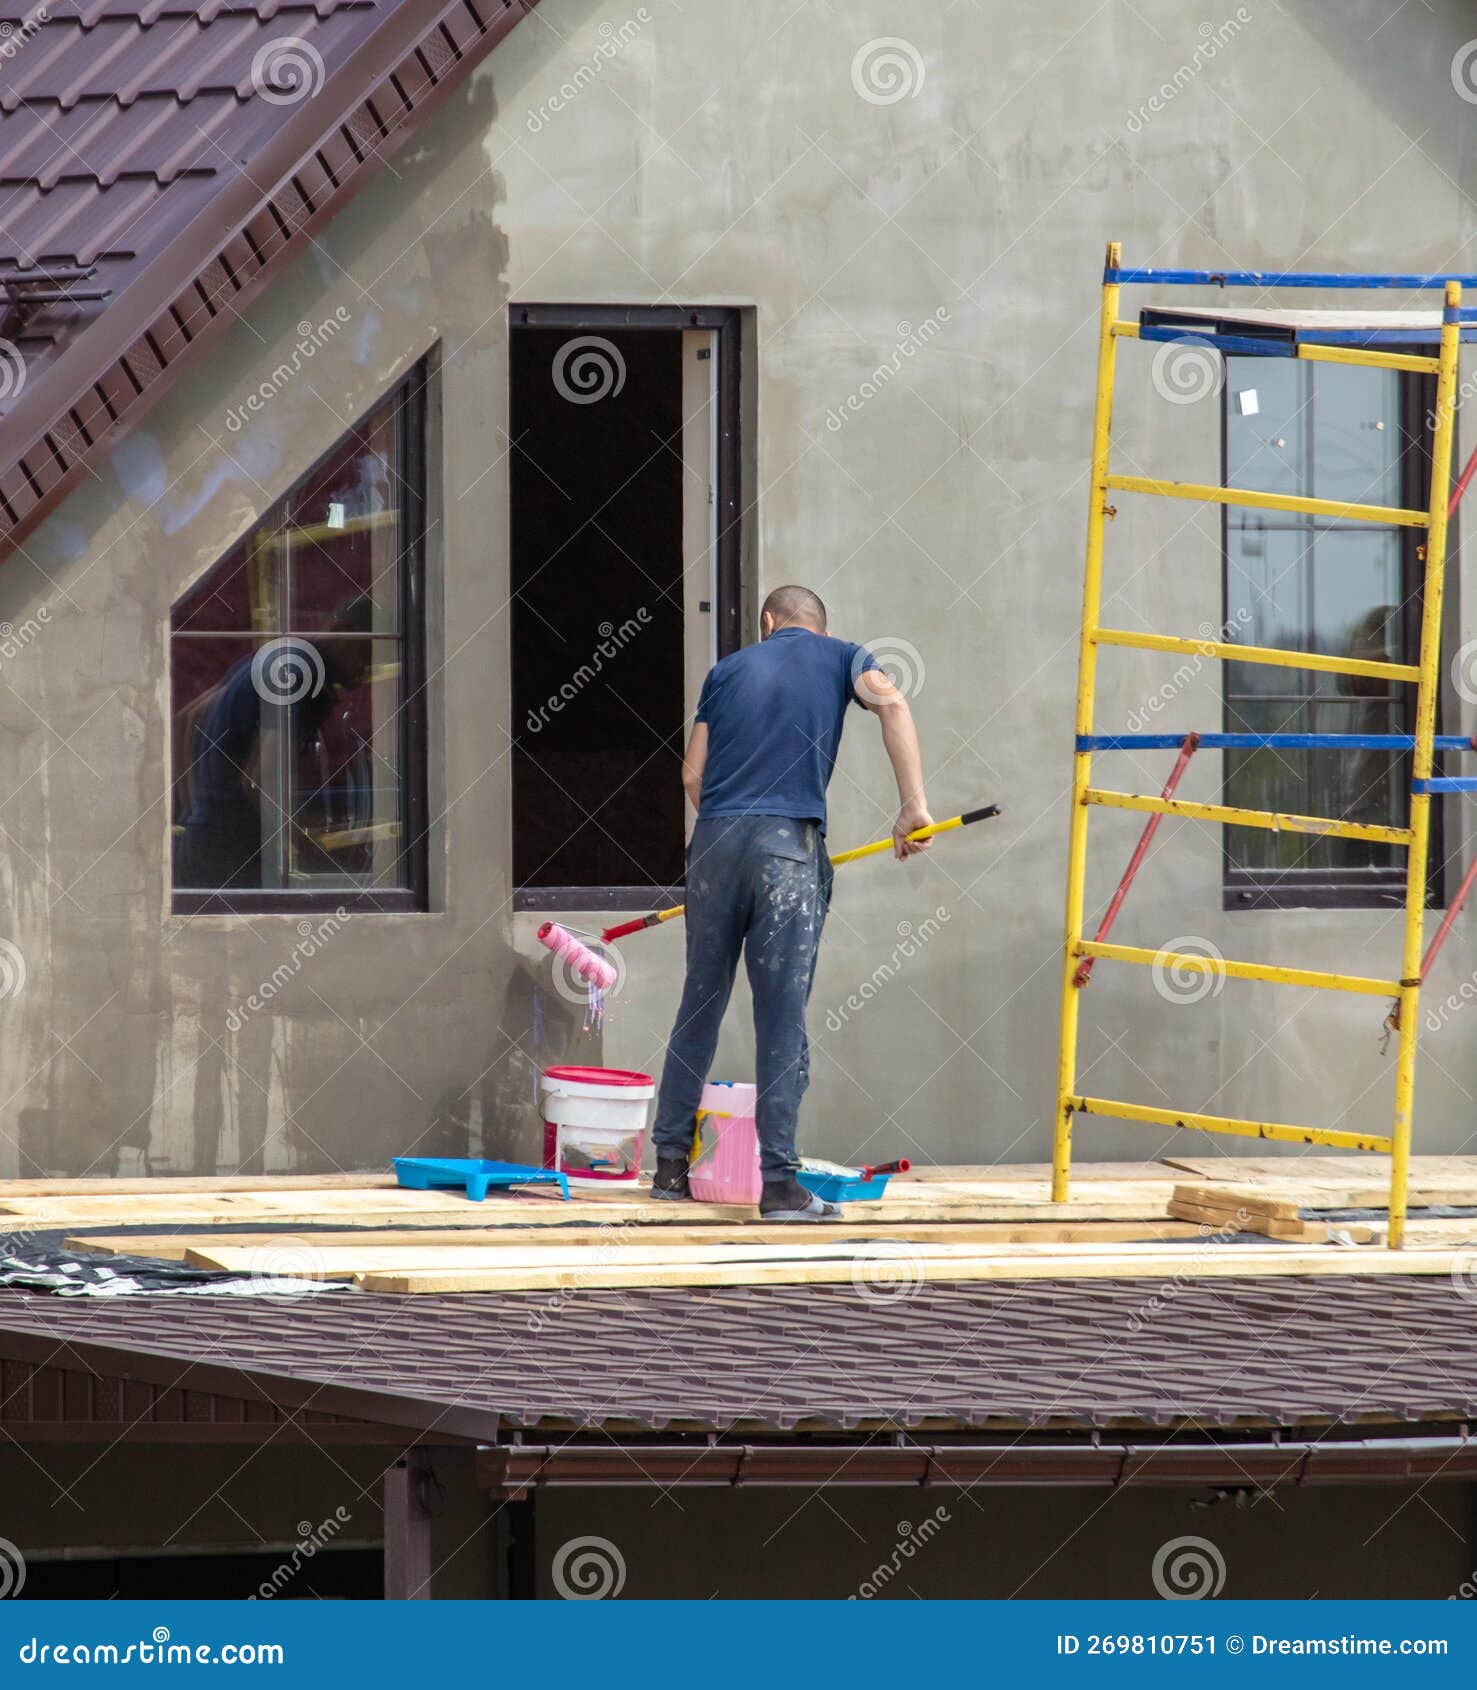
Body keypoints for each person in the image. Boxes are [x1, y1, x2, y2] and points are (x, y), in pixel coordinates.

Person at [648, 584, 932, 1220]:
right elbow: (893, 705)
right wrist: (911, 804)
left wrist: (729, 831)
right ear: (820, 629)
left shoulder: (724, 672)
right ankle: (777, 1184)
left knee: (701, 1000)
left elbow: (691, 773)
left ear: (768, 623)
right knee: (781, 1014)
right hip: (787, 849)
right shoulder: (844, 657)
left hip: (713, 843)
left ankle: (669, 1167)